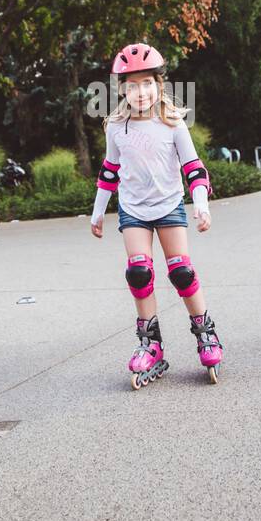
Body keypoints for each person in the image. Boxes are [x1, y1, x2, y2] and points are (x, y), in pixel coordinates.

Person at [89, 43, 223, 388]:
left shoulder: (174, 124)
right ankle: (151, 345)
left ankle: (205, 334)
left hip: (169, 207)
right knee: (138, 272)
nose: (140, 92)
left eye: (146, 83)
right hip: (133, 211)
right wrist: (98, 212)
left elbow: (194, 169)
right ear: (121, 89)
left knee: (181, 270)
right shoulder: (116, 127)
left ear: (158, 85)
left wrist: (202, 205)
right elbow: (109, 170)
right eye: (132, 85)